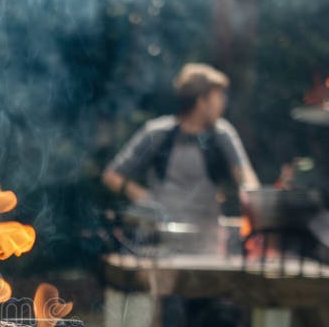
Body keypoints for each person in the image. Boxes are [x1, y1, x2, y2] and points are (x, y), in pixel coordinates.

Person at [102, 63, 260, 230]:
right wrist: (143, 197)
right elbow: (111, 176)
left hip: (208, 235)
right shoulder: (157, 133)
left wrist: (254, 199)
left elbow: (244, 175)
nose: (223, 103)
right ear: (201, 101)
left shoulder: (221, 134)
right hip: (163, 235)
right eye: (218, 97)